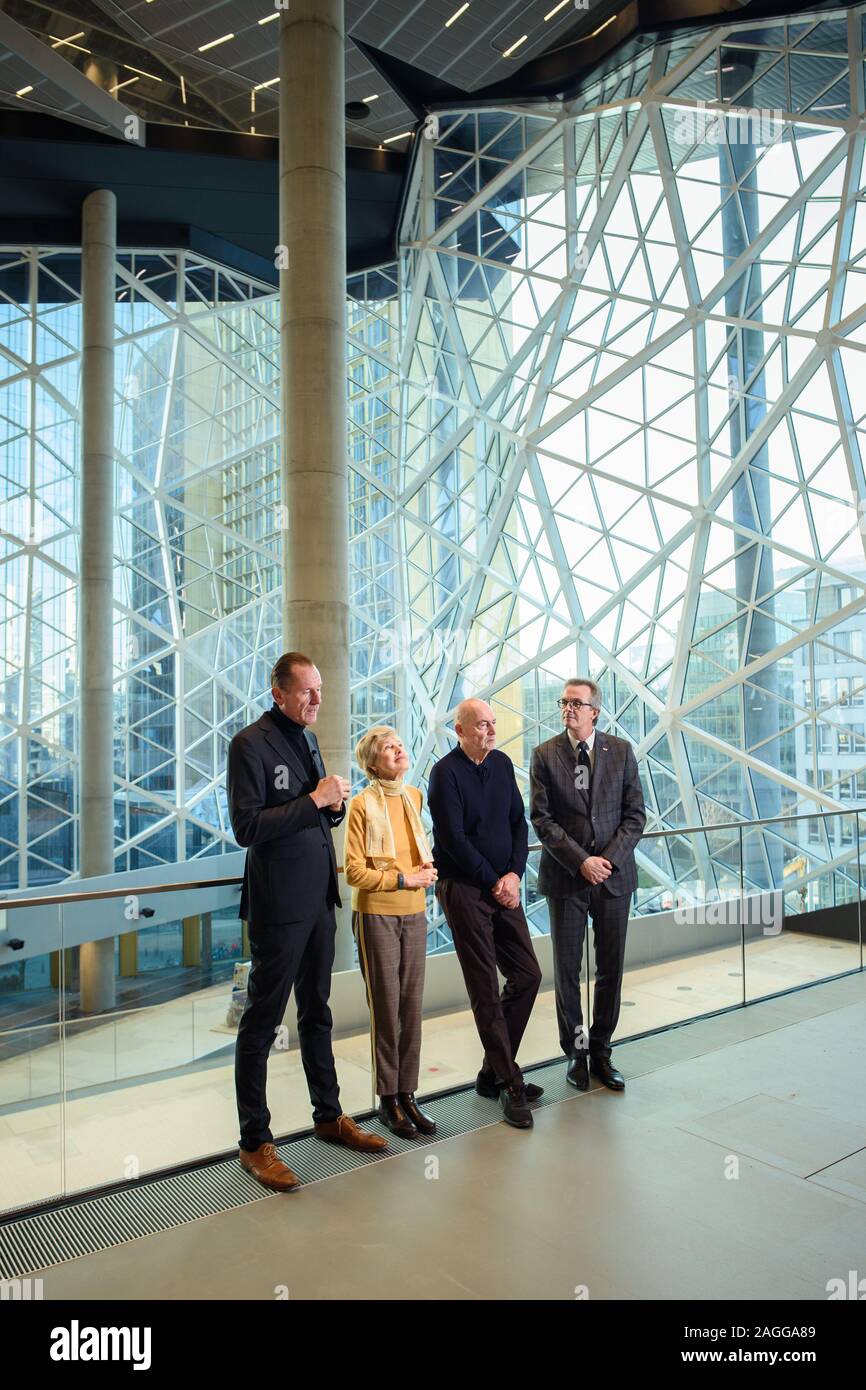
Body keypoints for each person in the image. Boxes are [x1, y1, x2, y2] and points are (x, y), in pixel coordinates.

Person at [226, 651, 386, 1192]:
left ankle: (328, 1115)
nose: (317, 700)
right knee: (262, 1022)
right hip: (277, 908)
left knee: (317, 1013)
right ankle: (254, 1141)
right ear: (279, 693)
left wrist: (333, 805)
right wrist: (316, 798)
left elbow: (315, 809)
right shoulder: (249, 744)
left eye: (319, 690)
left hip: (319, 899)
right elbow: (247, 827)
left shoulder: (311, 740)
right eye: (307, 692)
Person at [427, 699, 543, 1130]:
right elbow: (453, 839)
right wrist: (494, 879)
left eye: (493, 723)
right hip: (463, 890)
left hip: (503, 887)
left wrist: (513, 874)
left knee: (528, 975)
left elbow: (518, 823)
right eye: (481, 725)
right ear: (460, 730)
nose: (490, 731)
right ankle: (510, 1082)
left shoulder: (502, 764)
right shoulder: (445, 773)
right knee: (484, 989)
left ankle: (492, 1072)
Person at [529, 677, 646, 1092]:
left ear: (595, 710)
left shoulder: (621, 751)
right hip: (567, 877)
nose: (568, 709)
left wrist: (606, 861)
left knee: (611, 967)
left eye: (576, 703)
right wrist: (582, 863)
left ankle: (602, 1051)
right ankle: (576, 1054)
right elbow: (542, 820)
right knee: (567, 970)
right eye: (564, 702)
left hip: (613, 879)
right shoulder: (545, 754)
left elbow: (635, 816)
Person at [345, 727, 437, 1139]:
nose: (398, 750)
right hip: (376, 914)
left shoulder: (414, 797)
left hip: (414, 913)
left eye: (399, 744)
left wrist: (424, 876)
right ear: (372, 763)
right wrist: (404, 881)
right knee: (386, 1009)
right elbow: (355, 872)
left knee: (411, 1008)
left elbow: (418, 857)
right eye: (388, 748)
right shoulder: (361, 805)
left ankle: (408, 1094)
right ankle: (387, 1100)